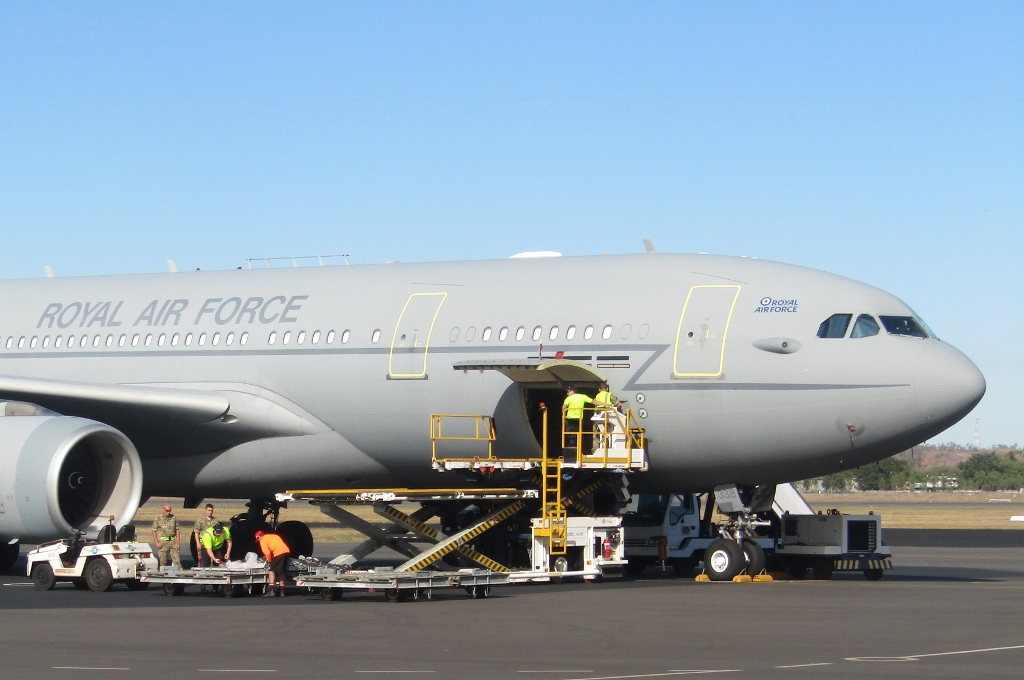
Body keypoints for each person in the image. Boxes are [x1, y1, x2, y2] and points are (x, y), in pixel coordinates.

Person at [561, 386, 594, 462]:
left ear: (573, 391)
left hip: (570, 419)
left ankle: (572, 453)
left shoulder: (568, 398)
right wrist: (604, 404)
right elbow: (593, 401)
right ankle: (577, 451)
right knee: (578, 435)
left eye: (568, 391)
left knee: (571, 436)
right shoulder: (583, 397)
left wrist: (564, 416)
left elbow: (564, 407)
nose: (567, 393)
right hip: (578, 419)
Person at [255, 530, 290, 598]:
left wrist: (269, 560)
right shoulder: (274, 536)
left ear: (259, 537)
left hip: (278, 553)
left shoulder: (263, 540)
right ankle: (281, 591)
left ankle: (271, 590)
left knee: (271, 570)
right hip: (286, 551)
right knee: (281, 571)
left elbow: (267, 552)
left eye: (258, 539)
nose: (258, 541)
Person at [151, 503, 181, 569]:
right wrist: (157, 543)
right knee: (163, 562)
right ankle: (163, 576)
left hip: (172, 541)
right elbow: (154, 531)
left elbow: (177, 530)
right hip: (163, 542)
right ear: (163, 510)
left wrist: (178, 542)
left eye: (170, 510)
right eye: (167, 511)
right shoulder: (158, 518)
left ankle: (179, 575)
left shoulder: (173, 518)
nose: (168, 512)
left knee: (177, 561)